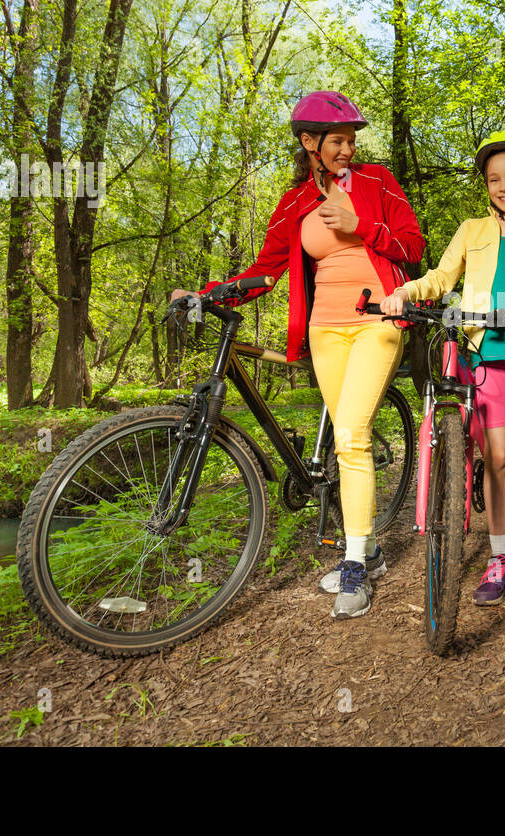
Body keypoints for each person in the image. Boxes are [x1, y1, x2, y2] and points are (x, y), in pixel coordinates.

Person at [171, 90, 424, 620]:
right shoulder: (293, 204)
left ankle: (353, 566)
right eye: (337, 141)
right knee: (343, 442)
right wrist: (208, 292)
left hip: (378, 320)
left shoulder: (377, 182)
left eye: (352, 140)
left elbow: (412, 246)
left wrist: (361, 227)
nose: (347, 150)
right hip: (325, 331)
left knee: (352, 434)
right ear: (309, 143)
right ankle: (369, 549)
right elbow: (265, 271)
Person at [381, 132, 505, 607]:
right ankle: (499, 557)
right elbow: (443, 278)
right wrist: (406, 292)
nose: (504, 186)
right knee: (497, 458)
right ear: (485, 185)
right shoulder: (471, 231)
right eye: (494, 179)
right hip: (485, 352)